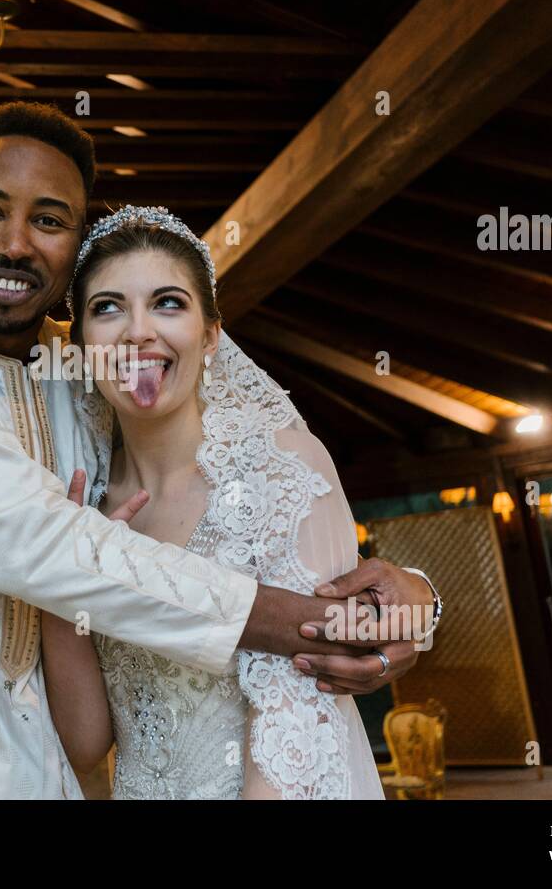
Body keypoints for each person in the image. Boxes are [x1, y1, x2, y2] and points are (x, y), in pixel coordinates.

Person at [0, 103, 439, 798]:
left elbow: (248, 491)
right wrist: (320, 624)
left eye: (50, 221)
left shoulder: (82, 378)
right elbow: (27, 537)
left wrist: (419, 601)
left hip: (41, 778)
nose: (16, 244)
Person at [43, 206, 414, 798]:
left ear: (211, 335)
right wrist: (67, 583)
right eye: (107, 307)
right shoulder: (84, 504)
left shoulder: (283, 467)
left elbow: (301, 707)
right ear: (84, 346)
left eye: (167, 302)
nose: (138, 331)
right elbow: (87, 743)